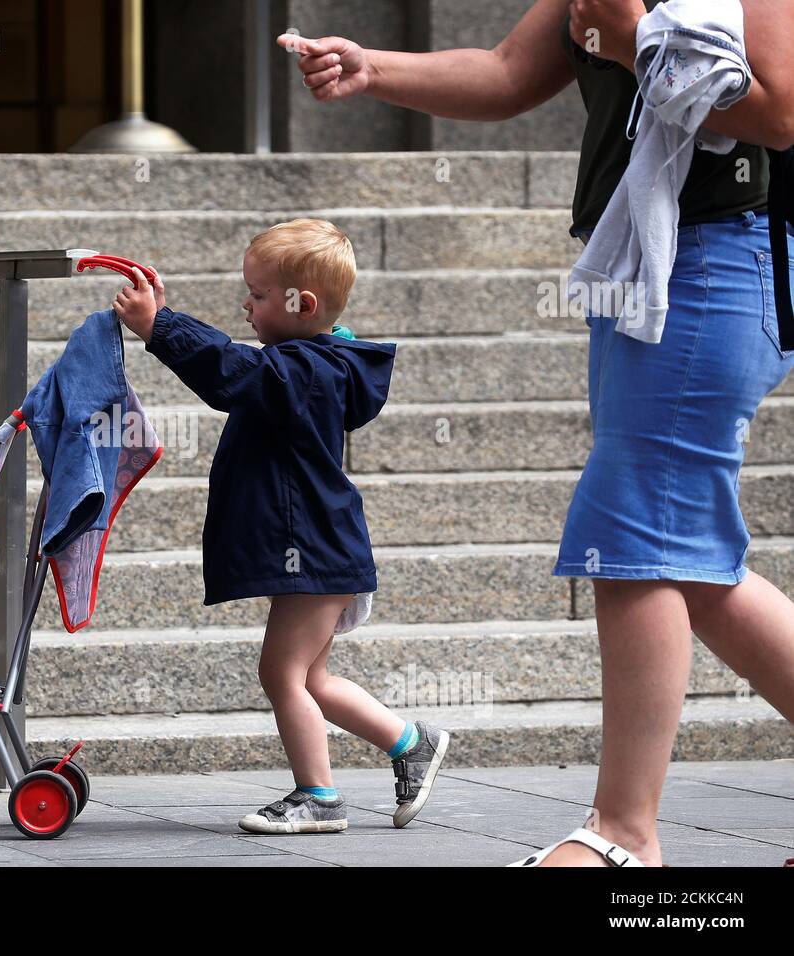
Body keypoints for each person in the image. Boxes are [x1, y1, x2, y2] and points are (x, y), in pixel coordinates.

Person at [281, 0, 794, 865]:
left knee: (634, 529)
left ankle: (623, 837)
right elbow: (510, 69)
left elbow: (779, 109)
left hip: (713, 260)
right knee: (691, 566)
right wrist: (375, 68)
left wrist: (631, 40)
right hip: (648, 266)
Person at [112, 218, 451, 834]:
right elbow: (243, 371)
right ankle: (409, 741)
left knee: (282, 673)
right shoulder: (308, 366)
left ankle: (318, 797)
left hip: (315, 551)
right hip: (321, 549)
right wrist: (166, 316)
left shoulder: (306, 373)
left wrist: (161, 327)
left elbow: (232, 375)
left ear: (304, 304)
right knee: (310, 675)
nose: (247, 304)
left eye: (260, 294)